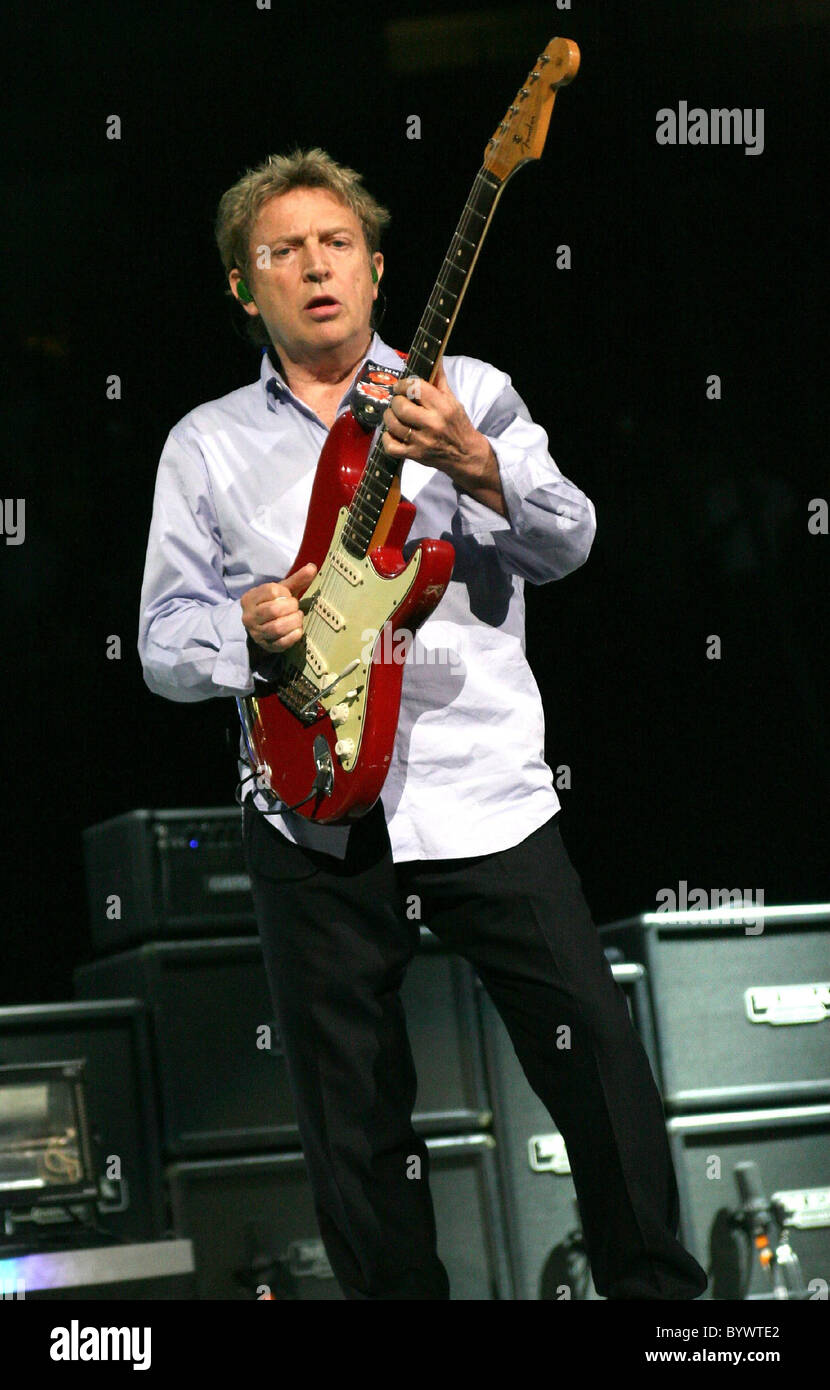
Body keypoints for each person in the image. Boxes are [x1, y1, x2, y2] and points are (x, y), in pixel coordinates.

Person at [138, 147, 707, 1301]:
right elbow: (157, 642)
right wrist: (243, 634)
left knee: (597, 1063)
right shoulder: (204, 445)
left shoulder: (470, 390)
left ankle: (661, 1308)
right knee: (355, 1126)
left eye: (335, 243)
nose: (313, 267)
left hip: (480, 786)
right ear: (243, 289)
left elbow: (569, 538)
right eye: (280, 252)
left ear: (380, 267)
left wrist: (474, 458)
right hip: (311, 810)